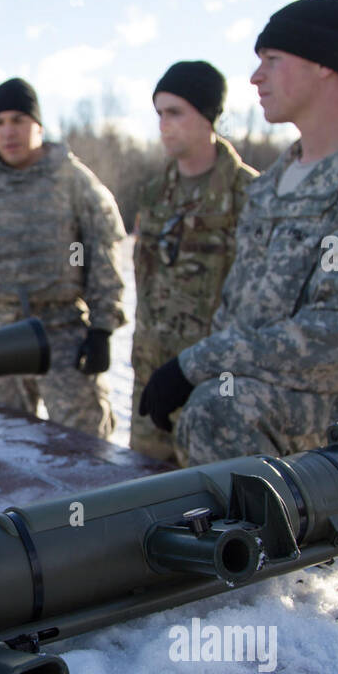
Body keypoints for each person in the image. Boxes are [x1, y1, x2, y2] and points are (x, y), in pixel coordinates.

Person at [140, 0, 338, 465]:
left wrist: (198, 364)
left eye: (272, 61)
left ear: (324, 66)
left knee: (219, 412)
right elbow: (233, 312)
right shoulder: (273, 185)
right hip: (255, 397)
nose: (256, 77)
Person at [0, 78, 127, 438]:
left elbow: (104, 251)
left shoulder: (72, 180)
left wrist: (102, 327)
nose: (9, 131)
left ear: (37, 125)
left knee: (87, 446)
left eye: (18, 120)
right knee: (7, 446)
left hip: (63, 336)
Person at [132, 62, 258, 462]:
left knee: (213, 509)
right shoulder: (154, 194)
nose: (164, 125)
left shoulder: (250, 195)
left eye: (175, 112)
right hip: (152, 380)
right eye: (159, 114)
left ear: (208, 115)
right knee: (143, 497)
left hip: (216, 389)